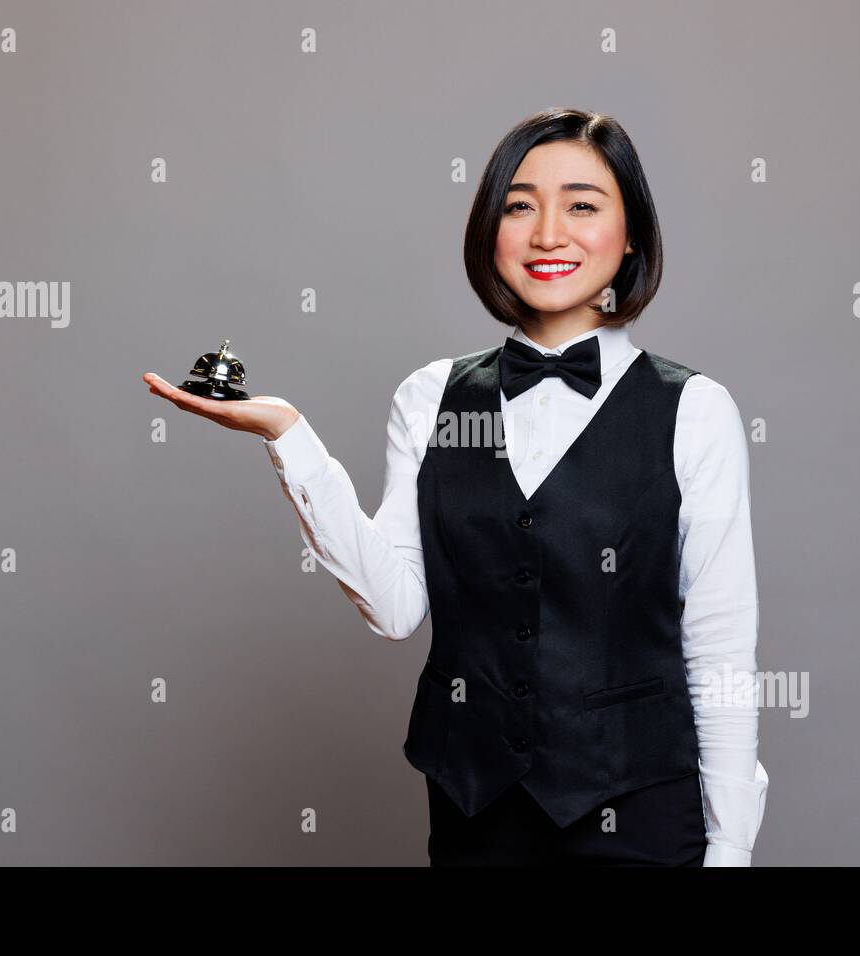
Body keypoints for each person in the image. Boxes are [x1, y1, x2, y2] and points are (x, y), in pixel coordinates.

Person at [143, 107, 768, 866]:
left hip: (636, 816)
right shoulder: (430, 396)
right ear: (489, 229)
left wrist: (730, 847)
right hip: (475, 815)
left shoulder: (694, 410)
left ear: (630, 232)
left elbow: (721, 652)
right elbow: (396, 607)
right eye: (519, 205)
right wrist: (289, 438)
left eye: (581, 204)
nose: (547, 234)